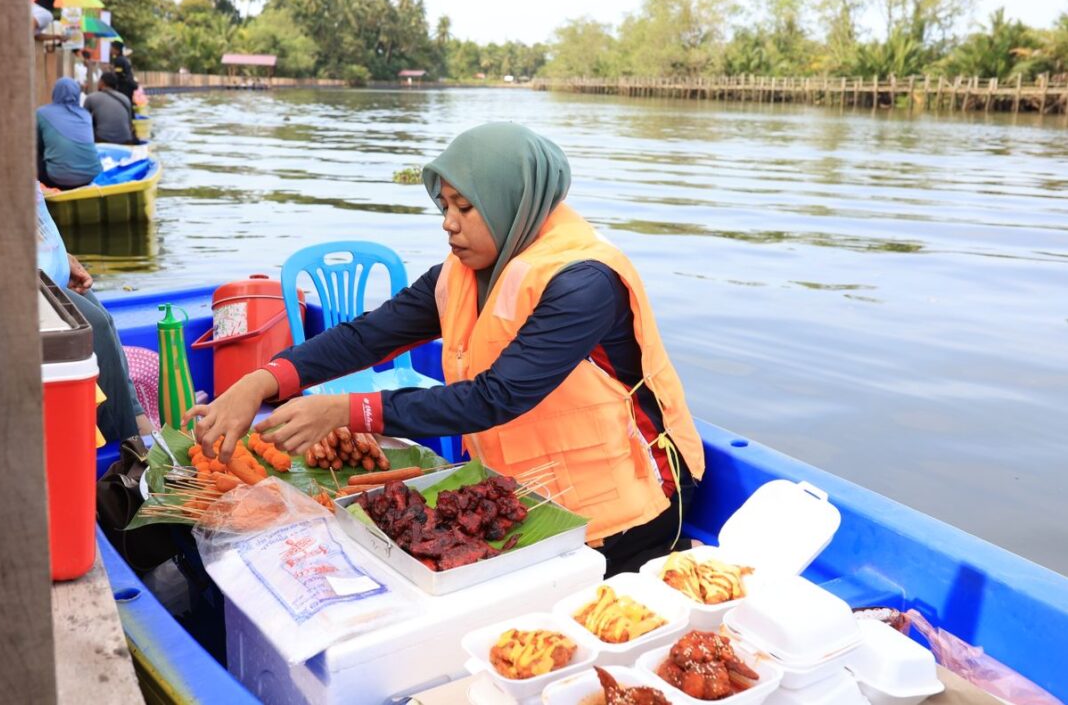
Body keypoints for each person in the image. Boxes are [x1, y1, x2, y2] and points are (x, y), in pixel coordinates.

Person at [185, 123, 706, 575]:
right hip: (526, 499)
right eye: (444, 205)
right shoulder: (459, 274)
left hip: (626, 511)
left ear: (511, 203)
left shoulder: (585, 281)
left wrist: (346, 410)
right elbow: (368, 335)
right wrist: (261, 381)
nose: (448, 222)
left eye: (465, 207)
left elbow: (496, 397)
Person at [36, 182, 154, 441]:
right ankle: (126, 444)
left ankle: (137, 418)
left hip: (43, 266)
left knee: (104, 321)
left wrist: (60, 256)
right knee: (93, 325)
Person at [36, 77, 101, 190]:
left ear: (55, 93)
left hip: (58, 180)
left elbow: (37, 144)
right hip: (91, 176)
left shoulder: (42, 113)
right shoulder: (86, 115)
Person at [83, 72, 134, 144]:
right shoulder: (125, 98)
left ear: (101, 83)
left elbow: (84, 122)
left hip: (103, 140)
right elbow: (129, 124)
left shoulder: (91, 98)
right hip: (126, 140)